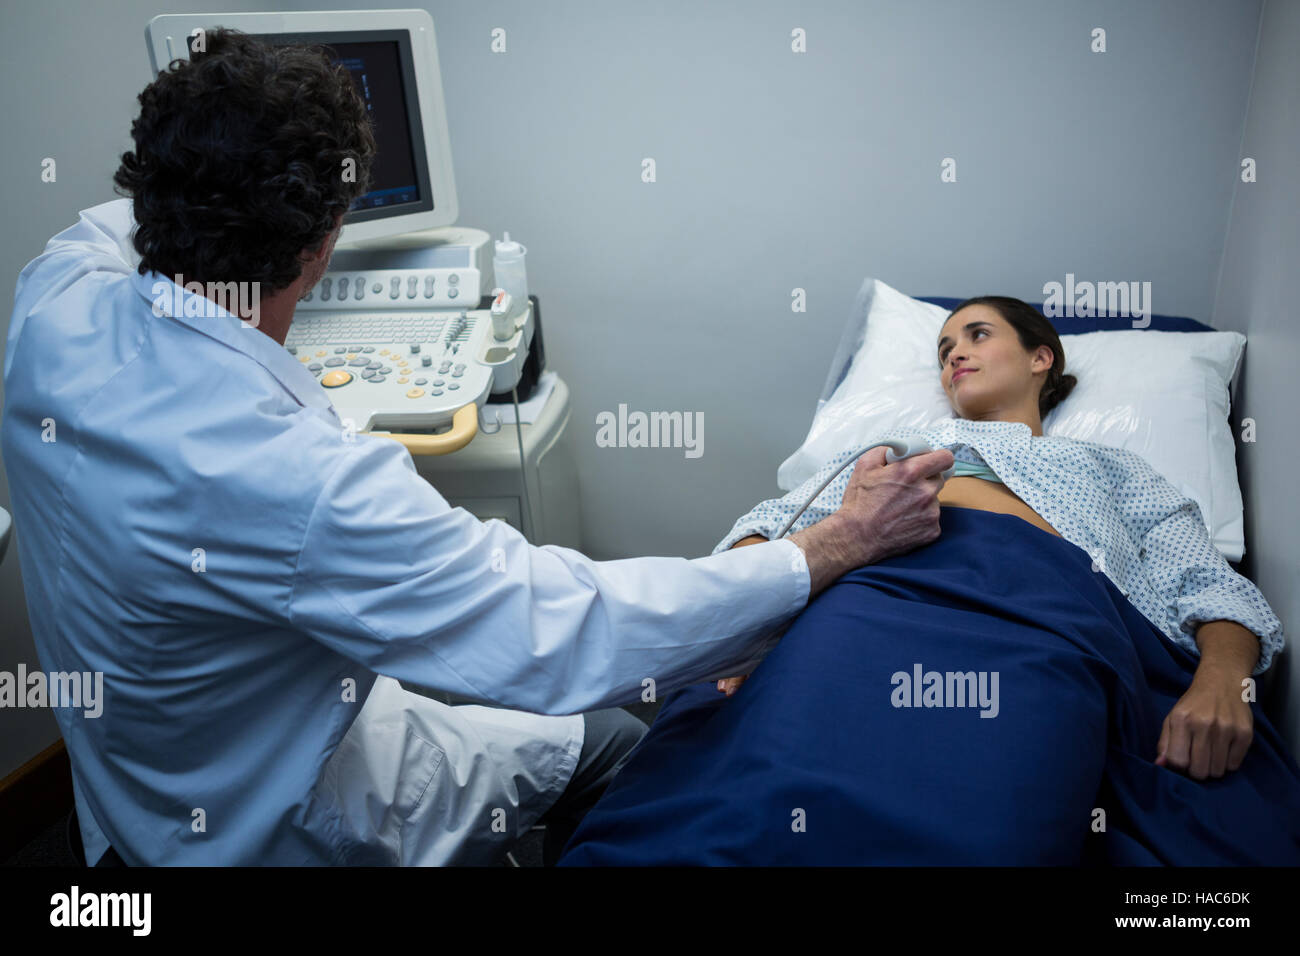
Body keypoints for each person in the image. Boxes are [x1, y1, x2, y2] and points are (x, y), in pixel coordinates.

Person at [0, 30, 952, 865]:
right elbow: (560, 629)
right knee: (615, 737)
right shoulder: (298, 480)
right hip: (270, 823)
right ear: (323, 241)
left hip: (136, 786)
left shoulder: (54, 297)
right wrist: (836, 544)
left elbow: (126, 219)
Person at [716, 295, 1282, 783]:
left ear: (1041, 358)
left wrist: (1223, 680)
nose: (954, 355)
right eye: (943, 351)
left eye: (977, 336)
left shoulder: (1116, 468)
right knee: (794, 729)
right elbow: (773, 522)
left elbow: (1209, 585)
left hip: (1047, 616)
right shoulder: (887, 450)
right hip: (872, 594)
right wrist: (748, 610)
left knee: (1013, 751)